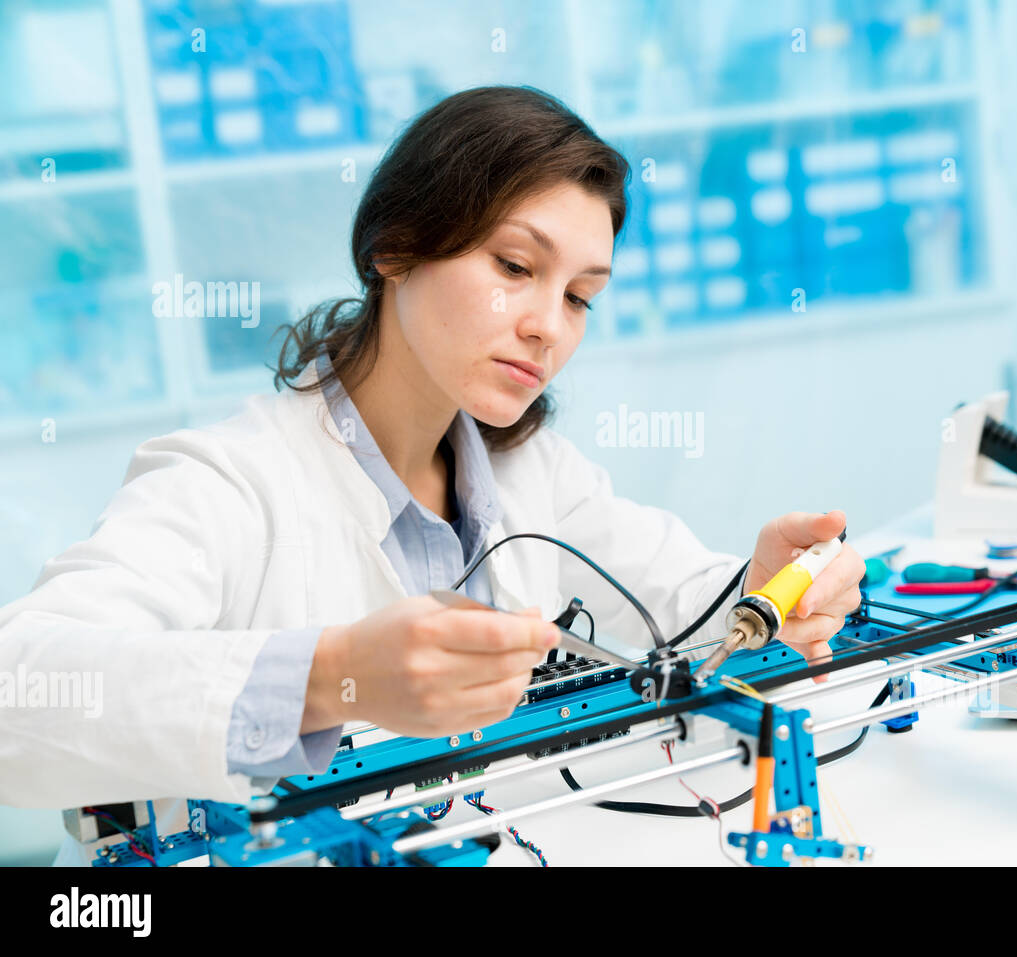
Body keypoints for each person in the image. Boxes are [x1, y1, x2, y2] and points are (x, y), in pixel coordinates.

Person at [0, 86, 864, 864]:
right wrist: (331, 673)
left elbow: (687, 605)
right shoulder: (227, 482)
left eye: (579, 296)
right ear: (398, 248)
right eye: (516, 268)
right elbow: (19, 694)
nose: (547, 328)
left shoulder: (531, 471)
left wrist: (777, 589)